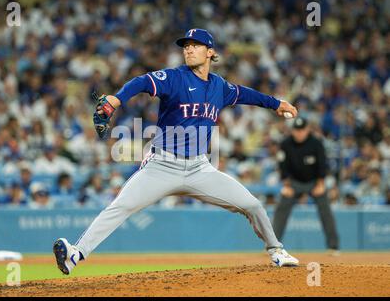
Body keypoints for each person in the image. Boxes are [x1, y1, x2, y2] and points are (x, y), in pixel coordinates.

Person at [53, 28, 300, 274]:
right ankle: (75, 254)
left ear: (210, 52)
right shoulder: (175, 77)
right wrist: (116, 100)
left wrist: (276, 103)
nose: (189, 49)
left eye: (195, 45)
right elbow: (141, 82)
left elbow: (246, 94)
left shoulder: (219, 87)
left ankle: (276, 251)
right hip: (162, 166)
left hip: (200, 169)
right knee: (120, 206)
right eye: (186, 45)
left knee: (253, 205)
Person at [273, 117, 340, 253]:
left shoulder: (316, 143)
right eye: (296, 130)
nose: (299, 133)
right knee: (281, 209)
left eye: (302, 130)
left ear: (307, 129)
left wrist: (321, 183)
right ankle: (273, 246)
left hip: (314, 182)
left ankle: (333, 246)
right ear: (292, 131)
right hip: (293, 183)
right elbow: (282, 164)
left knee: (325, 210)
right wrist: (286, 184)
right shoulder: (286, 144)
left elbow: (322, 164)